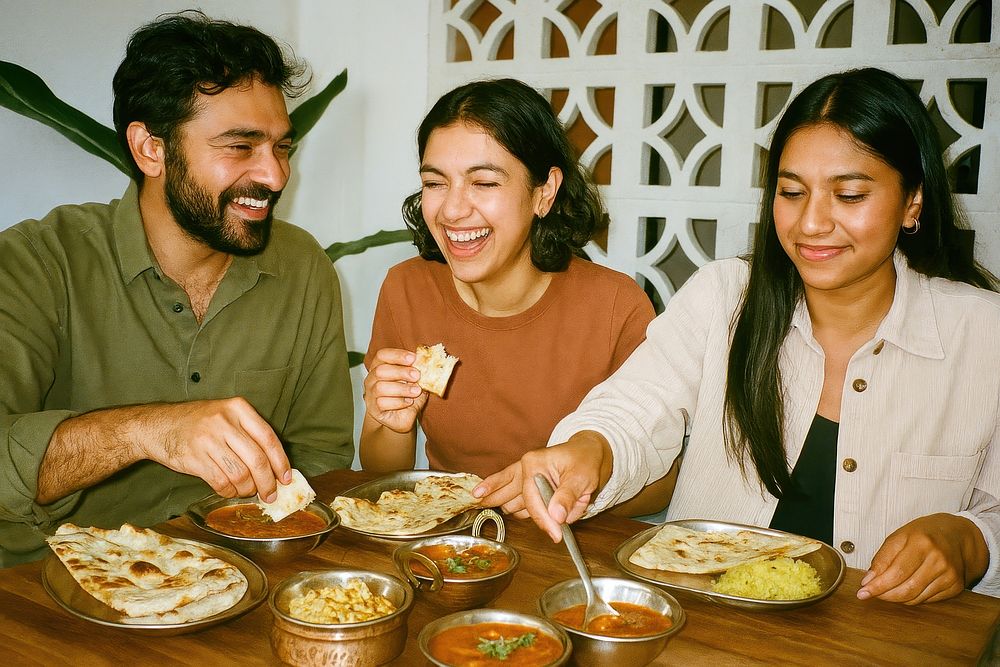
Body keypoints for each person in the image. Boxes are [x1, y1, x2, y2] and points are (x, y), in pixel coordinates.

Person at [477, 67, 1000, 604]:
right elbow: (633, 408)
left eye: (848, 195)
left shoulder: (985, 335)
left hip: (878, 638)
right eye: (791, 192)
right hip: (705, 624)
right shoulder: (725, 297)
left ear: (913, 201)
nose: (811, 223)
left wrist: (972, 539)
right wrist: (591, 447)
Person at [0, 11, 353, 566]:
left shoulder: (302, 268)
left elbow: (321, 459)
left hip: (238, 575)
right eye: (240, 146)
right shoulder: (38, 262)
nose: (276, 175)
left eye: (282, 147)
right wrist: (148, 430)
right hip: (50, 589)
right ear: (150, 149)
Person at [360, 78, 661, 509]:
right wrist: (390, 422)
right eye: (435, 183)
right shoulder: (406, 288)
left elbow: (661, 483)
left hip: (566, 539)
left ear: (544, 192)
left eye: (484, 183)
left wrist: (570, 490)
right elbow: (382, 475)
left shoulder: (616, 306)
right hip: (453, 533)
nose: (452, 210)